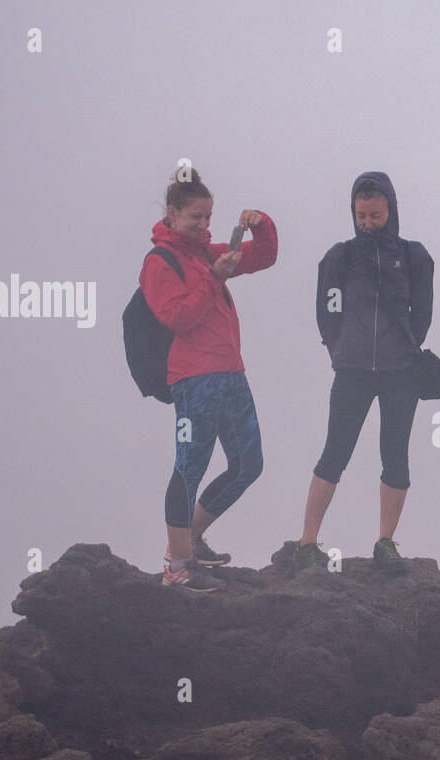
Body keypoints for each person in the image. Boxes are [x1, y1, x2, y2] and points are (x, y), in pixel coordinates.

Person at [141, 168, 278, 591]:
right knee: (189, 467)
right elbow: (178, 318)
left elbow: (264, 257)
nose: (203, 225)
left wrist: (262, 224)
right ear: (172, 213)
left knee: (247, 464)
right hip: (193, 380)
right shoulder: (159, 262)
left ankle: (191, 539)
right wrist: (216, 276)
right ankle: (177, 566)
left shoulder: (205, 254)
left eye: (208, 217)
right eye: (195, 217)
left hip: (231, 373)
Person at [291, 171, 434, 576]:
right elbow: (327, 308)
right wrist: (339, 348)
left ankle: (385, 543)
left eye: (375, 214)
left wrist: (404, 348)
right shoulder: (340, 258)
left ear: (391, 208)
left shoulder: (414, 257)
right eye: (361, 215)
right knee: (334, 452)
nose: (367, 222)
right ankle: (307, 544)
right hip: (352, 370)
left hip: (399, 373)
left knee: (395, 456)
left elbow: (422, 314)